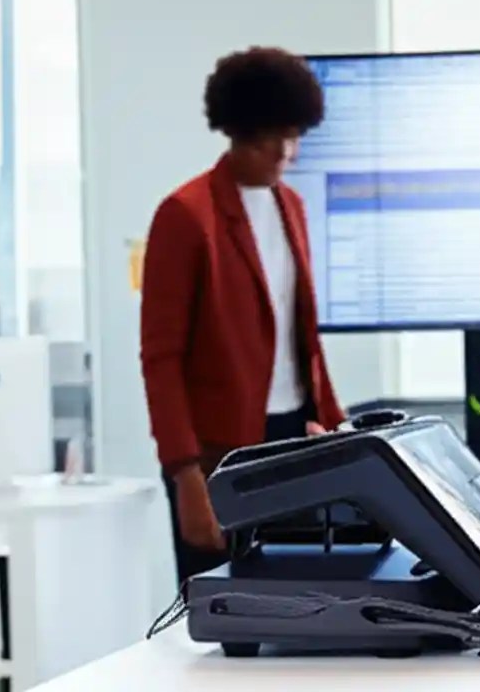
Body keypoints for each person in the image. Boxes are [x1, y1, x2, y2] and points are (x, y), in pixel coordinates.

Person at [140, 46, 346, 586]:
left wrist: (337, 427)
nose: (285, 151)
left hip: (292, 439)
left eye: (294, 135)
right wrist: (185, 475)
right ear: (234, 131)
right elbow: (160, 359)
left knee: (297, 607)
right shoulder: (186, 216)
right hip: (217, 454)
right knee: (224, 619)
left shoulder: (292, 207)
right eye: (268, 137)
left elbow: (301, 338)